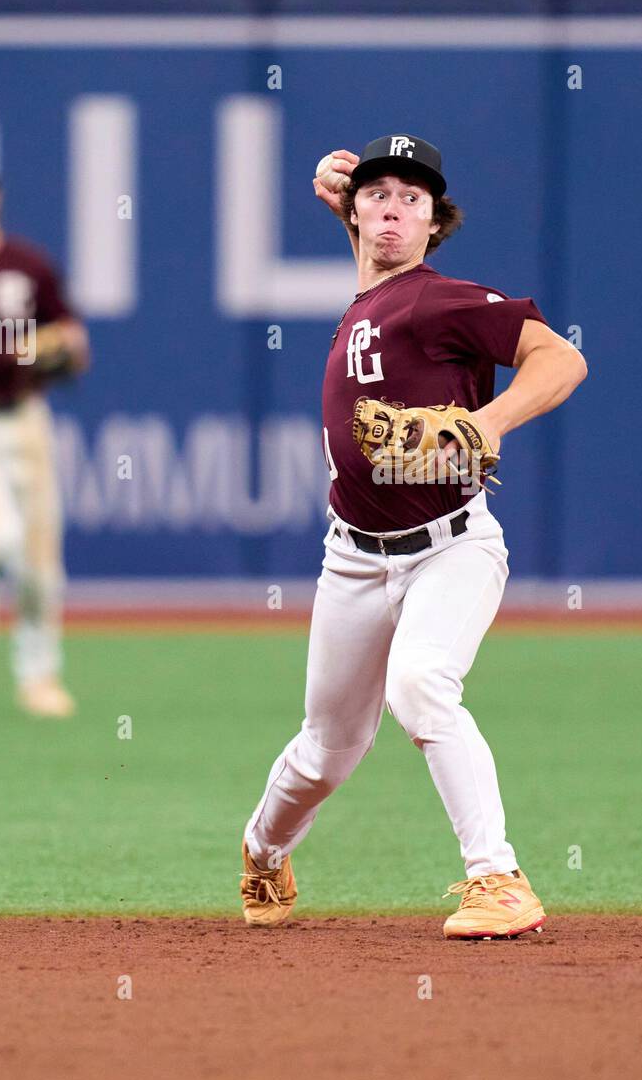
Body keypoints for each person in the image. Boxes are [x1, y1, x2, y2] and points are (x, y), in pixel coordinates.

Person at [240, 135, 587, 938]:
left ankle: (498, 879)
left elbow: (560, 359)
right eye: (378, 194)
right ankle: (262, 849)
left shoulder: (443, 299)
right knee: (326, 750)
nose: (394, 207)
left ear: (437, 224)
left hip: (453, 545)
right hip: (352, 561)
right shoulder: (370, 301)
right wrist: (350, 213)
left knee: (423, 683)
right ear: (354, 213)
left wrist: (488, 422)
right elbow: (374, 268)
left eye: (413, 199)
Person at [0, 169, 90, 717]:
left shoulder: (25, 266)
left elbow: (75, 341)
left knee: (37, 561)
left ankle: (38, 676)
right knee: (0, 538)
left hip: (24, 417)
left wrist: (51, 347)